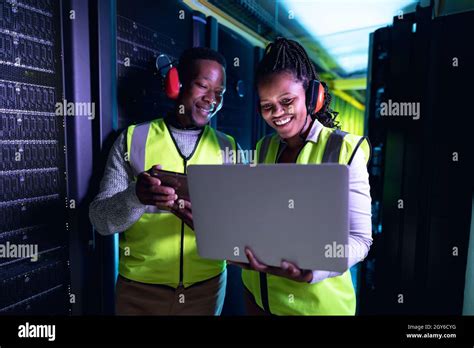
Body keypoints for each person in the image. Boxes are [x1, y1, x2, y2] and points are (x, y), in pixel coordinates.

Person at [89, 47, 241, 315]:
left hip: (208, 290)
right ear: (176, 83)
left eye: (219, 93)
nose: (211, 99)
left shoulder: (229, 148)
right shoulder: (132, 139)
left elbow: (244, 227)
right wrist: (135, 197)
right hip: (139, 291)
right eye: (203, 86)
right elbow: (101, 221)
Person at [236, 37, 373, 315]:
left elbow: (360, 240)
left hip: (316, 308)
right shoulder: (264, 148)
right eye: (267, 106)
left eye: (287, 101)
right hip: (258, 298)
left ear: (313, 96)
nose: (278, 114)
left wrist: (312, 270)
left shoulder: (346, 149)